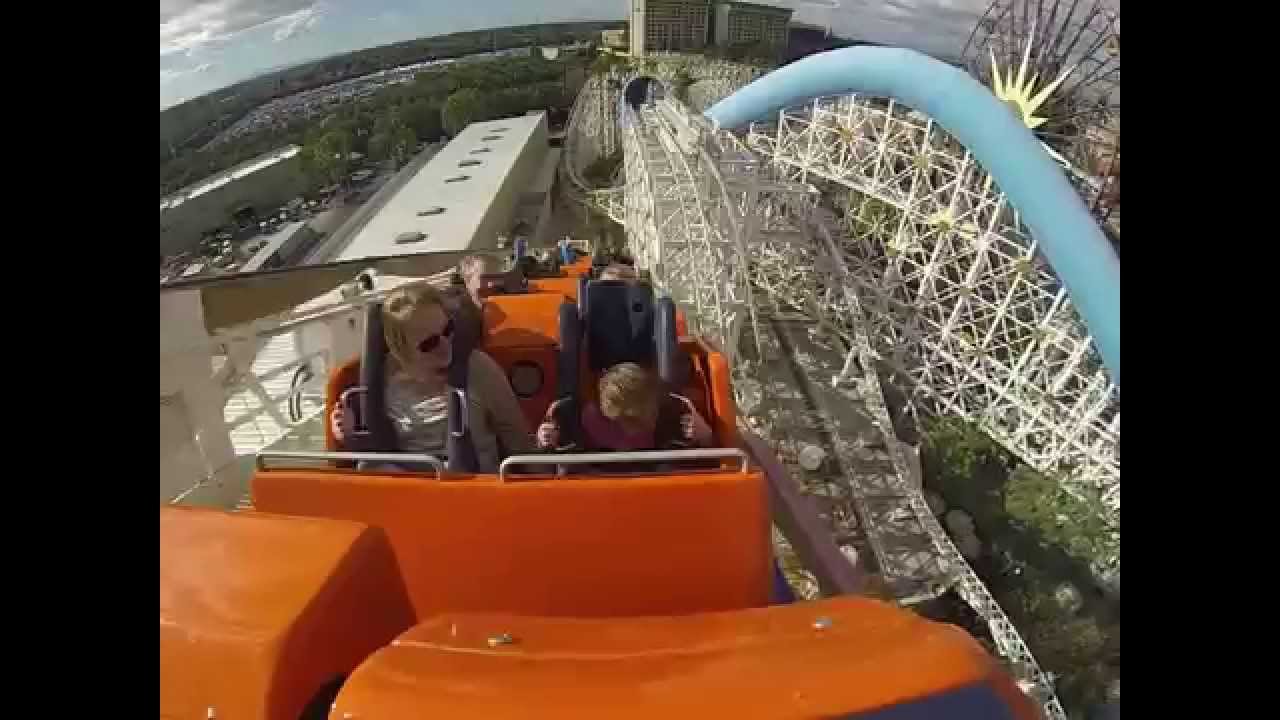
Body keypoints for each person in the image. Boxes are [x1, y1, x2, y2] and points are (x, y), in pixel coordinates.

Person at [331, 283, 533, 471]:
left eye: (448, 330)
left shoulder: (479, 369)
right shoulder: (380, 380)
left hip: (472, 488)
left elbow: (521, 445)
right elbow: (370, 447)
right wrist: (348, 433)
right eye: (430, 344)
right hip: (408, 490)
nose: (446, 348)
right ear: (401, 353)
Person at [536, 362, 712, 452]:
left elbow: (720, 461)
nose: (633, 427)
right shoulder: (571, 418)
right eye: (629, 420)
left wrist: (705, 436)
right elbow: (543, 467)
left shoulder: (672, 413)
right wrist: (544, 440)